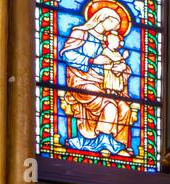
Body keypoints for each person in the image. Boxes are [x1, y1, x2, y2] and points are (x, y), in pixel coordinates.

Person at [59, 0, 137, 157]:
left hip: (107, 84)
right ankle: (102, 142)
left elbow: (120, 64)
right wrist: (91, 61)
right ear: (102, 18)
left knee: (124, 108)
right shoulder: (81, 33)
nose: (115, 30)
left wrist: (123, 68)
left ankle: (117, 145)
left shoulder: (108, 42)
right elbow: (67, 54)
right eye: (113, 24)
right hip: (83, 81)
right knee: (109, 105)